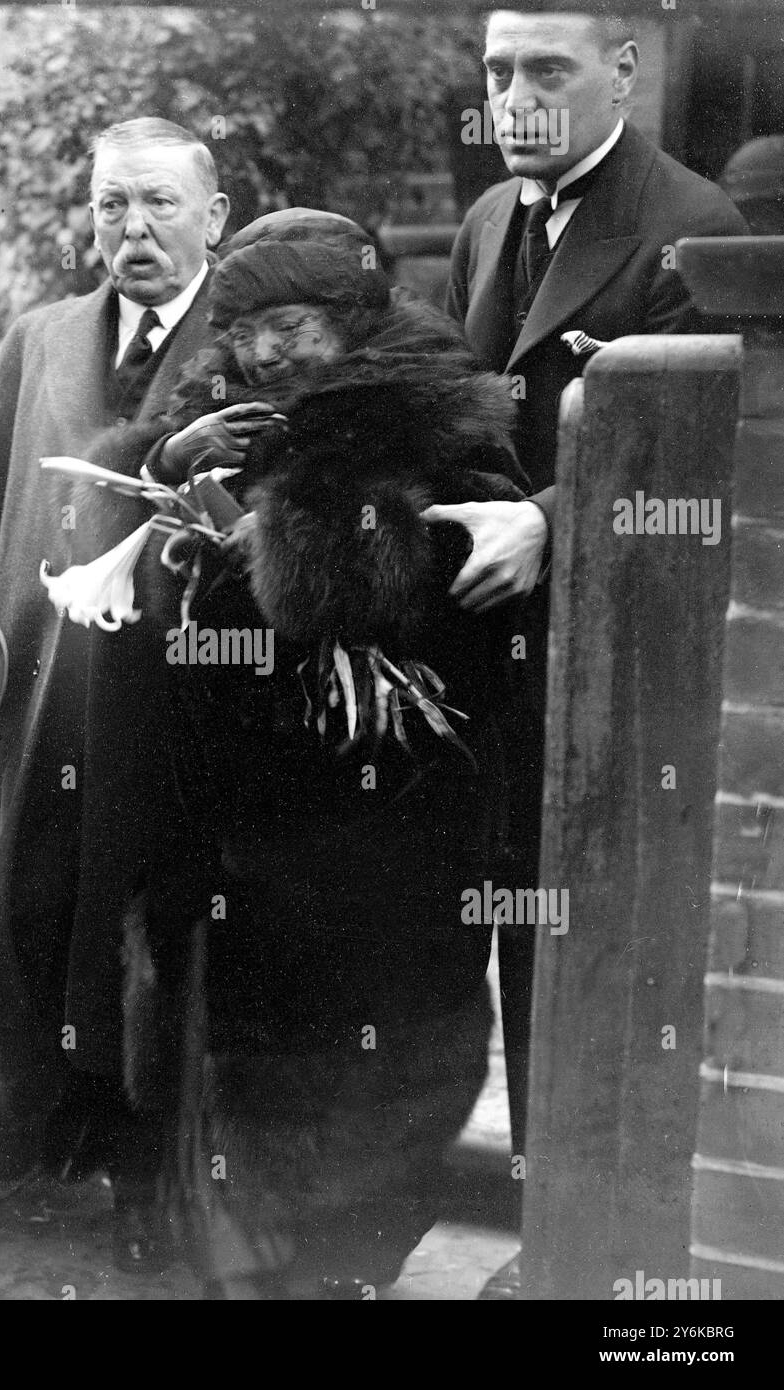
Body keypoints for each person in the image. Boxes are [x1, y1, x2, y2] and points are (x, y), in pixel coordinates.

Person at [73, 222, 532, 1297]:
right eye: (240, 330)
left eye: (290, 326)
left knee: (385, 1071)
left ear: (355, 322)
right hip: (239, 831)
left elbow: (378, 602)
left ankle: (349, 1264)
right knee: (249, 1068)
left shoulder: (436, 421)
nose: (263, 353)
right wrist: (160, 469)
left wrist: (279, 520)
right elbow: (109, 566)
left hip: (389, 832)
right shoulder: (212, 417)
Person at [438, 8, 747, 1297]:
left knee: (617, 957)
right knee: (526, 938)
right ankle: (547, 1236)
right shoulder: (489, 222)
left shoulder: (698, 231)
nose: (514, 97)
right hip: (500, 667)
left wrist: (550, 525)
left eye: (546, 71)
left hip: (632, 675)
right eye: (499, 71)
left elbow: (699, 450)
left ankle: (608, 1261)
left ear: (625, 70)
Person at [0, 117, 230, 1272]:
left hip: (184, 726)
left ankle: (154, 1198)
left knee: (159, 953)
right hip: (40, 720)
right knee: (39, 926)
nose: (130, 230)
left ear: (213, 220)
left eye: (156, 205)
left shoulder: (254, 347)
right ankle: (72, 1141)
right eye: (108, 207)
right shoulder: (39, 340)